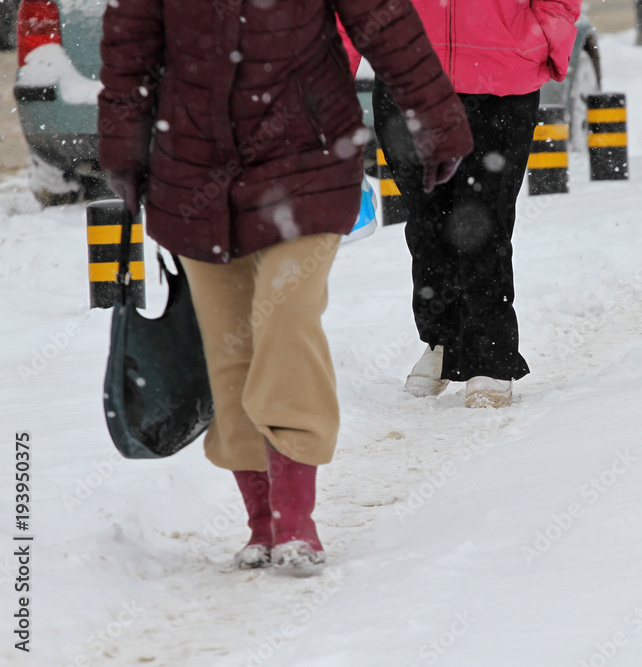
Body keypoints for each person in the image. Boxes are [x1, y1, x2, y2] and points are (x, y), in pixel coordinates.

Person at [98, 0, 472, 572]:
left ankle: (296, 521)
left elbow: (386, 20)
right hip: (195, 175)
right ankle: (262, 524)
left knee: (286, 323)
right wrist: (124, 150)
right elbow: (130, 50)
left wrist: (436, 121)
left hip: (308, 166)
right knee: (229, 348)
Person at [346, 0, 580, 408]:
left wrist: (542, 42)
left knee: (483, 222)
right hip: (407, 75)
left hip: (501, 76)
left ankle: (489, 354)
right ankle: (442, 340)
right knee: (425, 220)